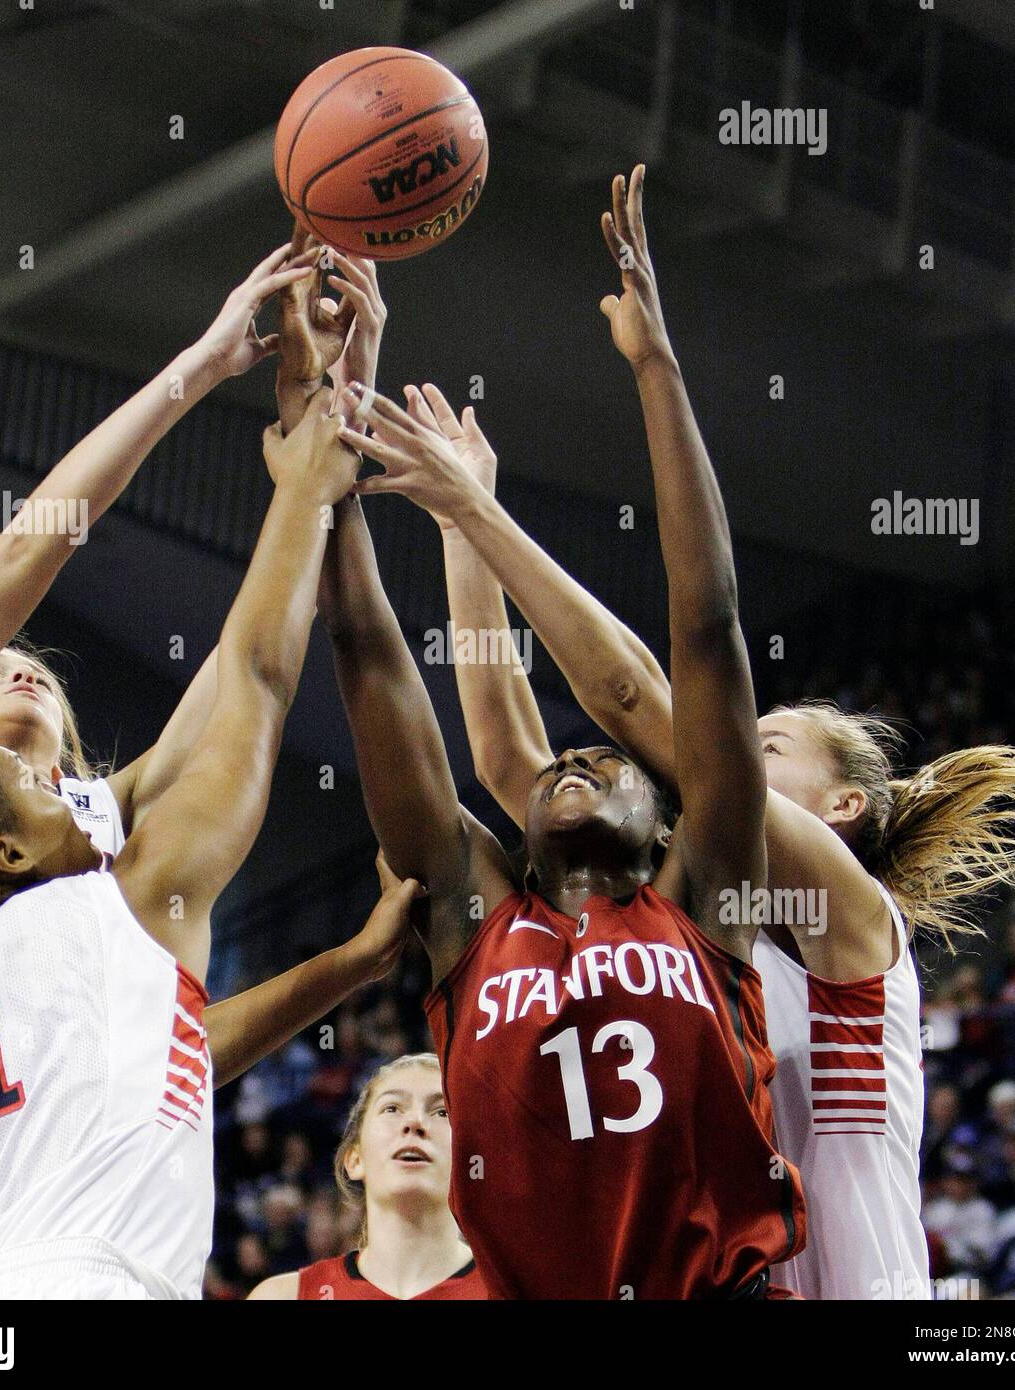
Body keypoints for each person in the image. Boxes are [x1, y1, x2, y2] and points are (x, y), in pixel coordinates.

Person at [350, 166, 1015, 1299]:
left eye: (770, 746)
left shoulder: (843, 918)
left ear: (839, 807)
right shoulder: (692, 916)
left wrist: (519, 481)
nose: (727, 749)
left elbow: (641, 697)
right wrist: (457, 531)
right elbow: (505, 757)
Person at [292, 172, 805, 1298]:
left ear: (663, 817)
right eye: (561, 759)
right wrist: (335, 410)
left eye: (609, 760)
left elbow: (708, 624)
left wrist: (657, 368)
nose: (572, 757)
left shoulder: (707, 893)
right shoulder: (476, 916)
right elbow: (370, 652)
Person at [0, 399, 407, 1299]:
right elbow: (254, 680)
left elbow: (171, 1047)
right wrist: (311, 476)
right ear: (2, 848)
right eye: (35, 787)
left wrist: (350, 962)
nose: (66, 798)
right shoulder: (111, 908)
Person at [249, 1054, 486, 1300]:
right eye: (392, 1108)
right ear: (354, 1159)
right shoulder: (282, 1296)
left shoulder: (515, 1289)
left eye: (441, 1112)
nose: (415, 1122)